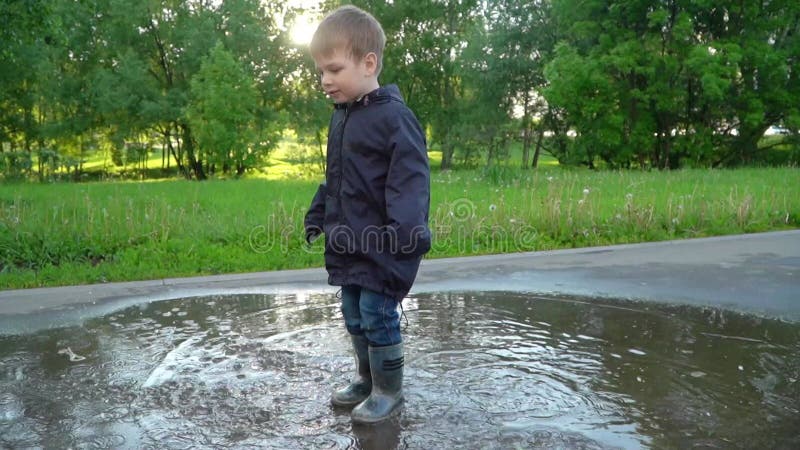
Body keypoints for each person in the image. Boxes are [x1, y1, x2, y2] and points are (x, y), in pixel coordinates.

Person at [303, 5, 431, 424]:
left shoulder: (394, 118)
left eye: (334, 69)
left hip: (386, 244)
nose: (325, 80)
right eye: (320, 71)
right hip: (350, 242)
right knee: (354, 312)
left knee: (378, 315)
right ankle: (366, 379)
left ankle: (388, 392)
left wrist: (406, 235)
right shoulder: (340, 120)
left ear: (368, 62)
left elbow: (410, 182)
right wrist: (317, 214)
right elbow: (336, 179)